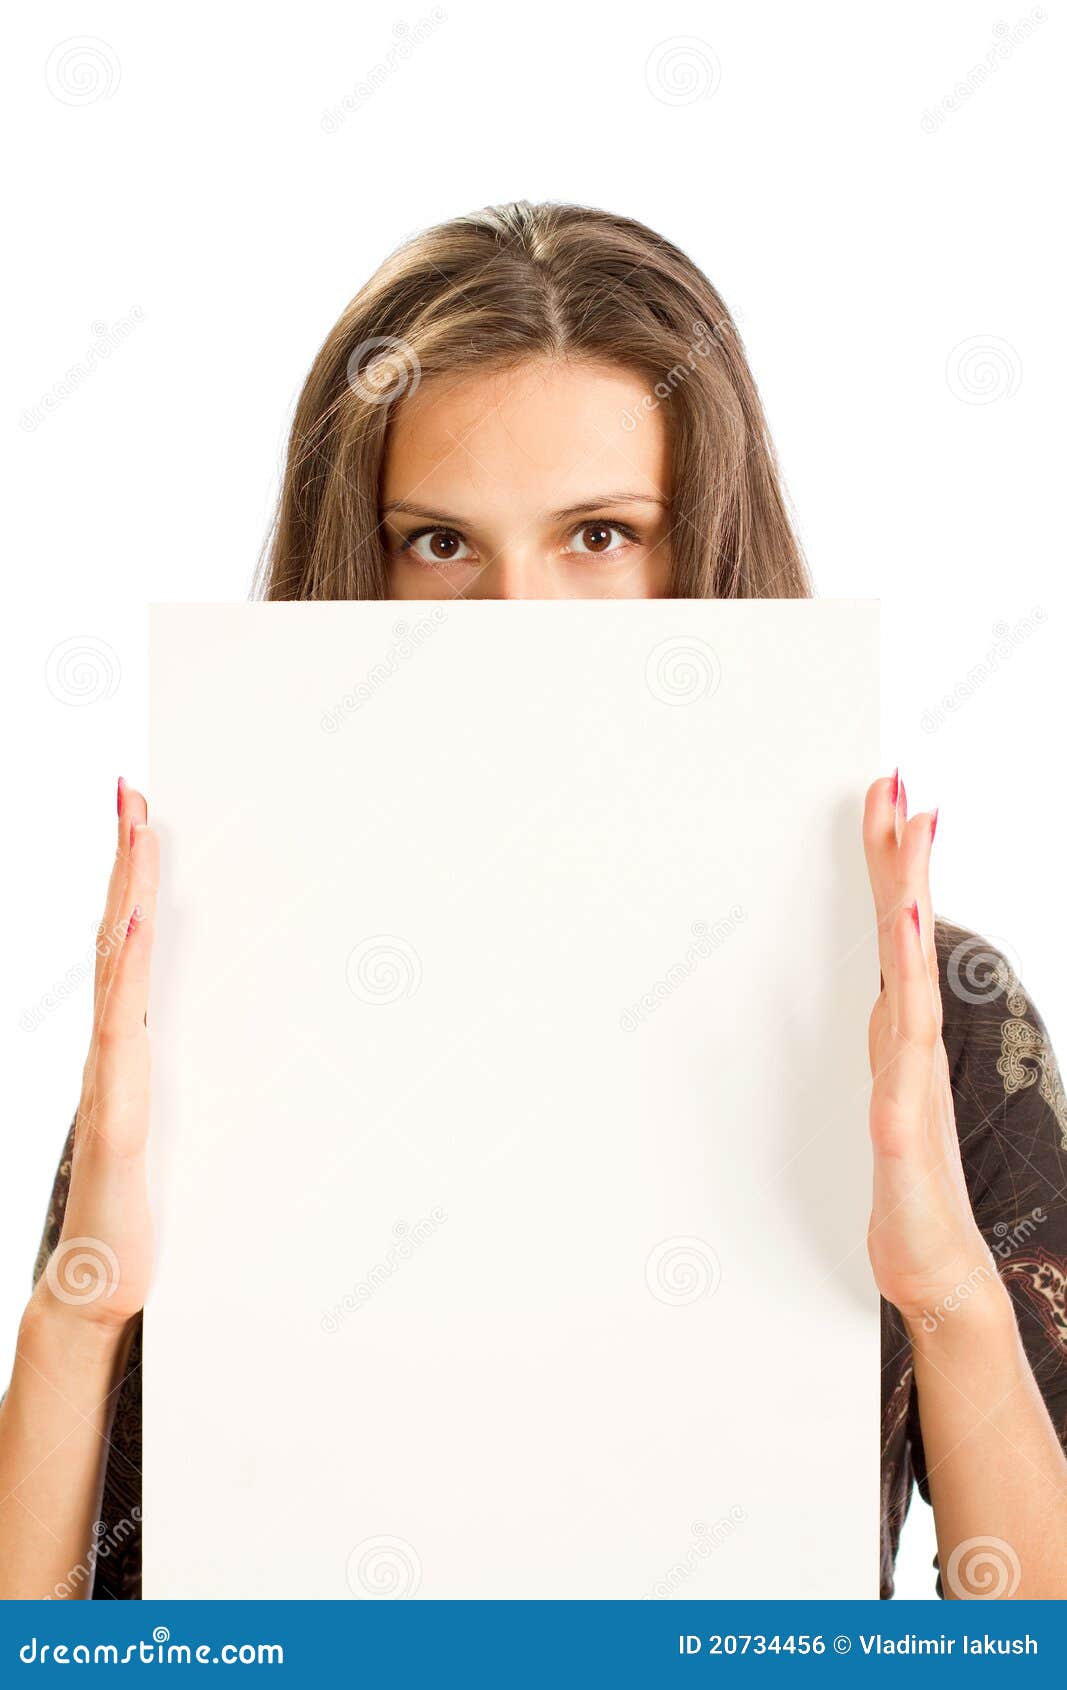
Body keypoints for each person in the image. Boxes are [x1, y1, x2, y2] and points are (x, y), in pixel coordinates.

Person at [2, 202, 1065, 1601]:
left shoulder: (918, 1017)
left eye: (602, 534)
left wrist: (944, 1295)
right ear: (358, 572)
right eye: (439, 542)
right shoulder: (202, 995)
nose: (516, 625)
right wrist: (86, 1304)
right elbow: (39, 1633)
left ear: (704, 557)